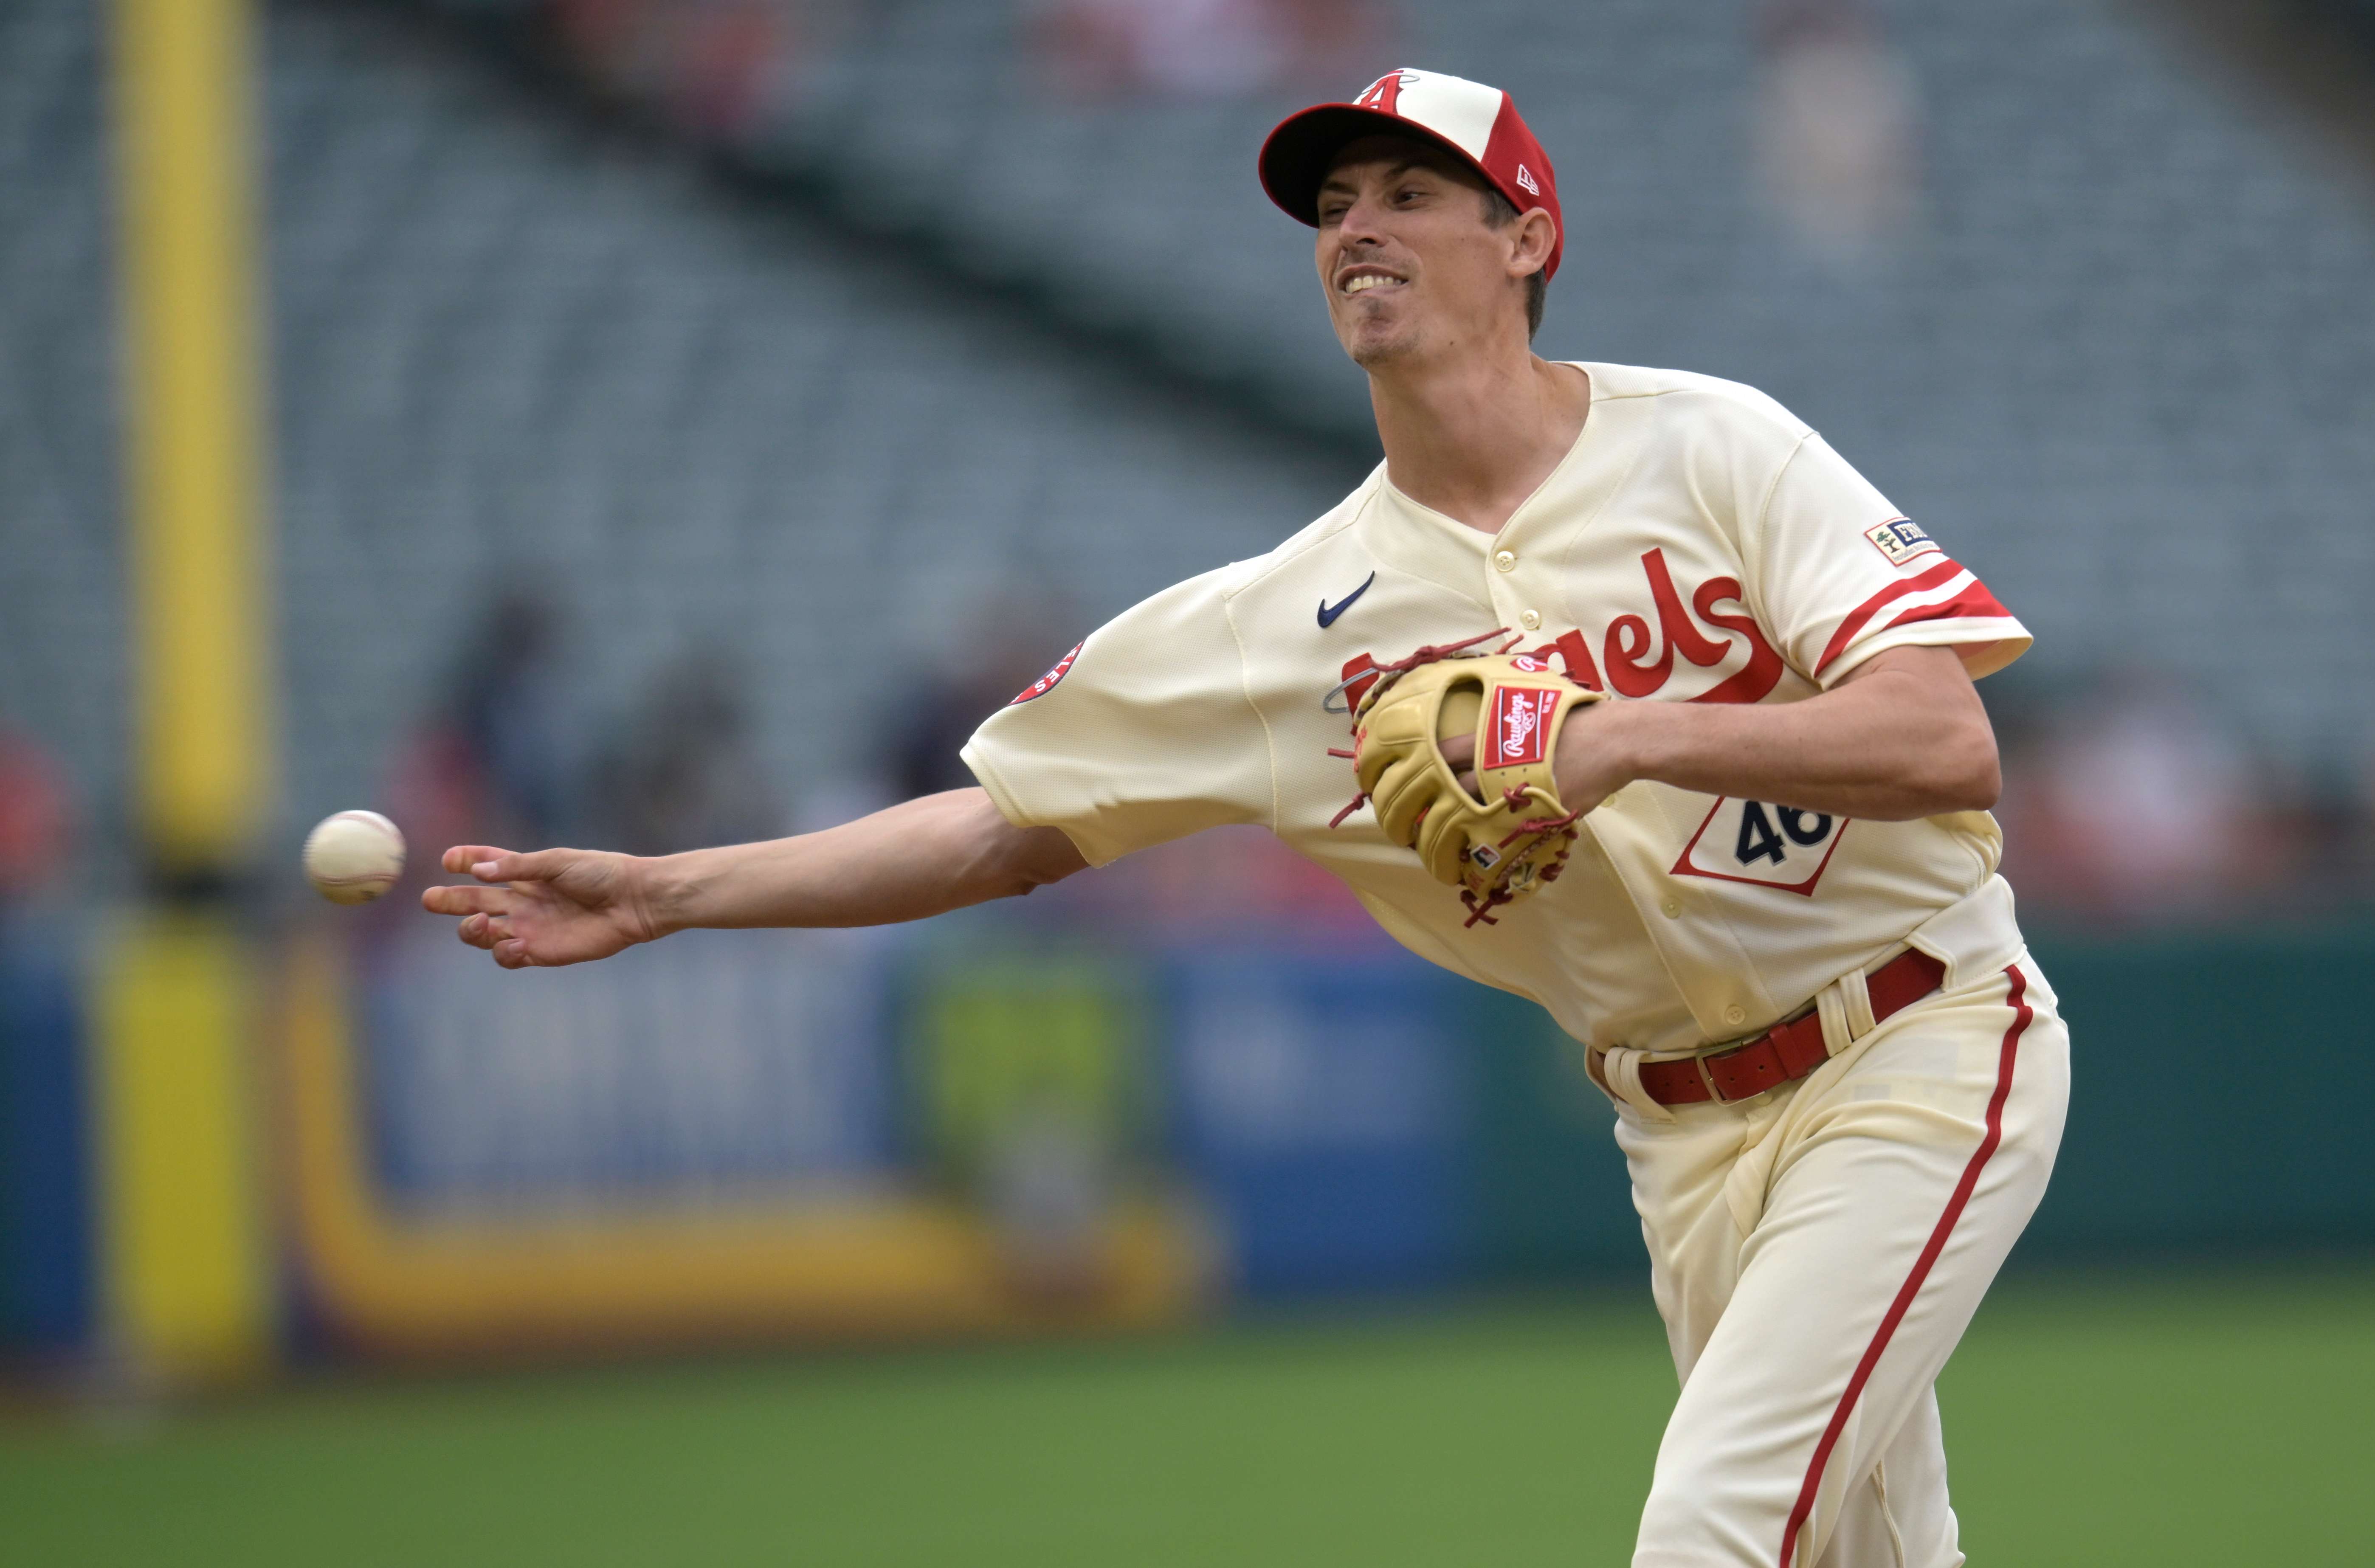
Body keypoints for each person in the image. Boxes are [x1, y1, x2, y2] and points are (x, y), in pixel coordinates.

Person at [428, 68, 2069, 1568]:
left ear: (1528, 238)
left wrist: (1614, 739)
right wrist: (668, 895)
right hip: (1680, 1137)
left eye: (1411, 194)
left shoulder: (1713, 449)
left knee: (1712, 1532)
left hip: (1915, 1035)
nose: (1359, 226)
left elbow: (1946, 739)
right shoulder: (1282, 625)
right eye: (1335, 204)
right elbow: (1003, 826)